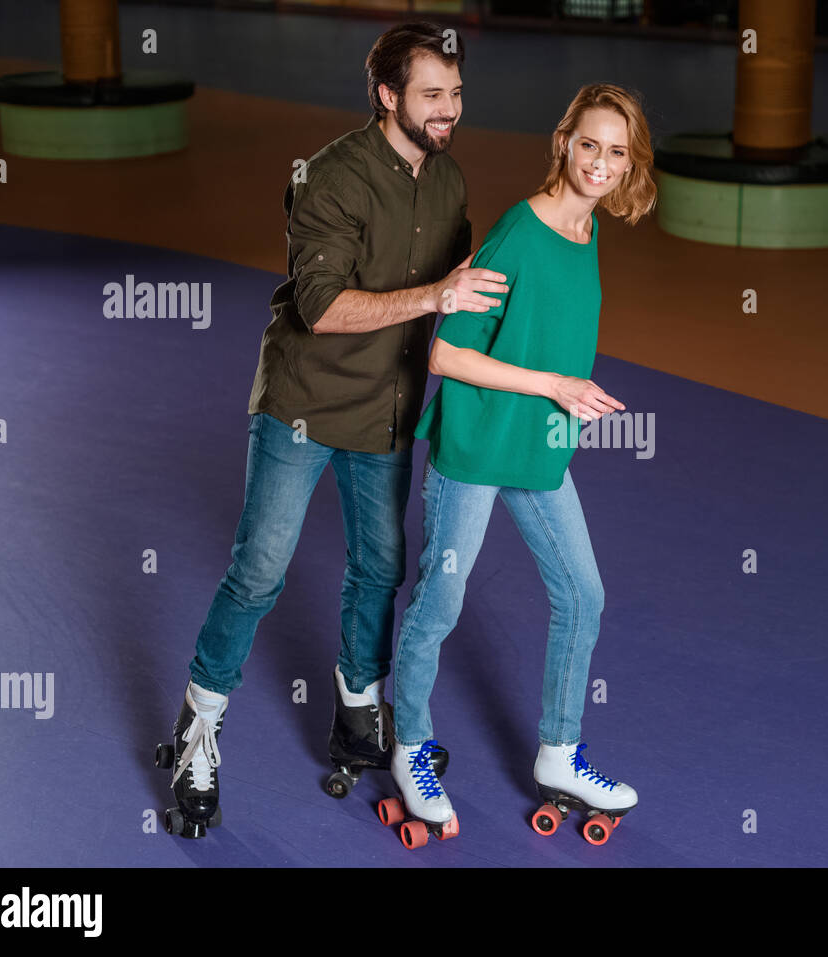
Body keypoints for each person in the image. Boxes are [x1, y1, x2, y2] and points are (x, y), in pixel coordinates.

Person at [157, 22, 509, 839]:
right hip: (304, 403)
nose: (449, 108)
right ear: (387, 95)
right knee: (259, 572)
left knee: (379, 567)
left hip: (387, 406)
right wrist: (435, 296)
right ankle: (198, 728)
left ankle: (357, 715)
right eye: (431, 94)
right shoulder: (331, 176)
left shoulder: (449, 181)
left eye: (456, 93)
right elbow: (319, 308)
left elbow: (463, 294)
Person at [386, 83, 657, 840]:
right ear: (564, 142)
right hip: (476, 448)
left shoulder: (586, 229)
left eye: (616, 152)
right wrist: (556, 386)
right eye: (589, 144)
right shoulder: (520, 231)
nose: (600, 162)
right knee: (440, 604)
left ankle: (559, 754)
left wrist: (559, 401)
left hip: (538, 452)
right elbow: (445, 354)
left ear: (629, 163)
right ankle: (410, 748)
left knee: (583, 596)